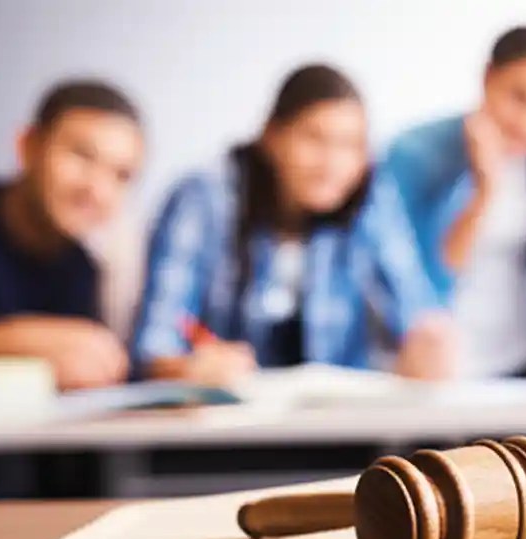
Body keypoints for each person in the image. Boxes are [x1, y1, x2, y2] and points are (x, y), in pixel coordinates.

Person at [131, 64, 450, 386]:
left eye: (351, 145)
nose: (332, 164)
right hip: (224, 421)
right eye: (314, 138)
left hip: (334, 421)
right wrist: (187, 368)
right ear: (272, 136)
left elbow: (416, 311)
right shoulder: (205, 198)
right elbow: (155, 343)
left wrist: (428, 344)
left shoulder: (370, 198)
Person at [386, 26, 526, 390]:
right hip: (436, 368)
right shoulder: (414, 154)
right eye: (520, 98)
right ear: (488, 76)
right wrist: (484, 189)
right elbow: (425, 279)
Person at [0, 80, 143, 390]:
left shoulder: (80, 271)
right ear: (28, 146)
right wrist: (22, 341)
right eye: (81, 156)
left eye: (121, 175)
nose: (97, 189)